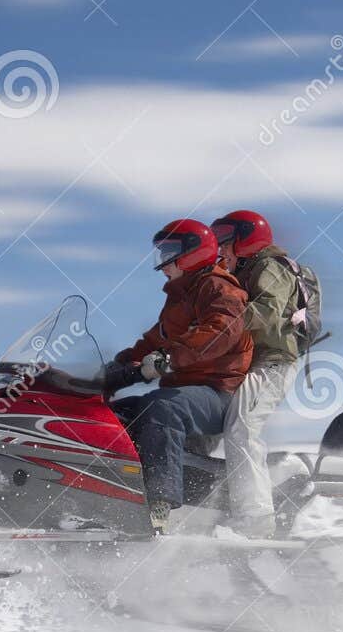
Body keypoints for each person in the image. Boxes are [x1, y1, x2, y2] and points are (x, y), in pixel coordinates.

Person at [106, 219, 253, 534]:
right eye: (160, 253)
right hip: (183, 392)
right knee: (113, 415)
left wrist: (168, 359)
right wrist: (113, 370)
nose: (161, 265)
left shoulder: (220, 288)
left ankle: (158, 505)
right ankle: (104, 497)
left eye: (168, 253)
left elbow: (221, 332)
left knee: (162, 408)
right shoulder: (179, 297)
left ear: (193, 253)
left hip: (216, 395)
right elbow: (152, 342)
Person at [212, 209, 306, 539]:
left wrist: (216, 327)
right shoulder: (245, 271)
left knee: (241, 425)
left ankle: (256, 517)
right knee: (206, 423)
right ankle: (201, 506)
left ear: (246, 239)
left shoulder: (269, 267)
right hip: (247, 363)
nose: (219, 248)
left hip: (274, 362)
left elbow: (267, 311)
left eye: (224, 240)